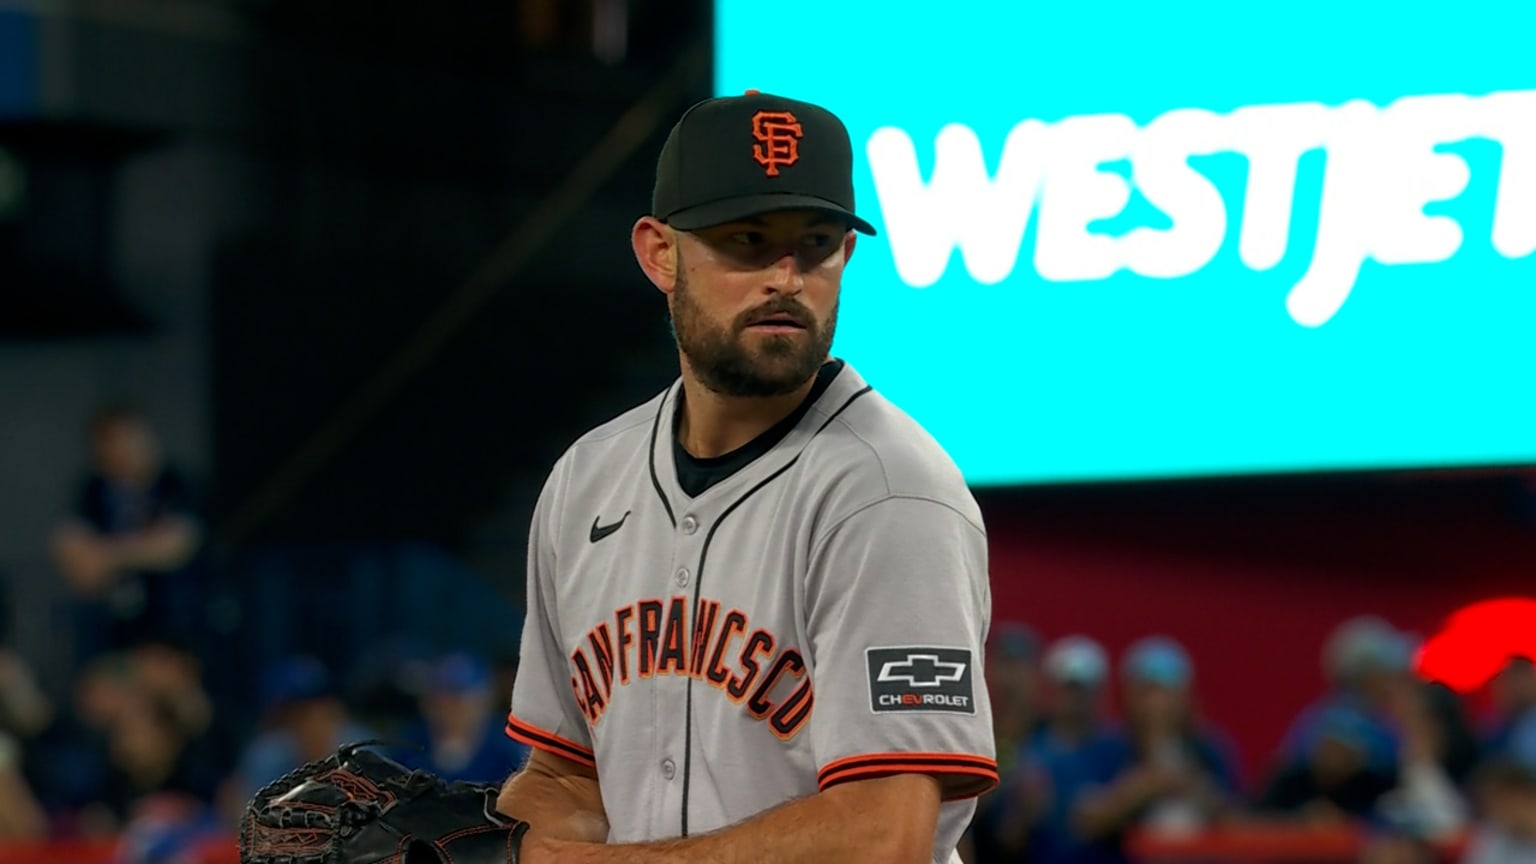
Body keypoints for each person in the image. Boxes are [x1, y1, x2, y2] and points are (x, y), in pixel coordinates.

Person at [494, 90, 997, 864]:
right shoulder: (586, 481)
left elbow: (883, 835)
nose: (787, 277)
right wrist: (480, 849)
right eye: (748, 241)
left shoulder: (892, 494)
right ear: (660, 253)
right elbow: (567, 778)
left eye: (817, 243)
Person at [51, 406, 204, 669]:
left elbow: (175, 547)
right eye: (109, 442)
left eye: (128, 438)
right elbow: (69, 546)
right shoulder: (94, 489)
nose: (121, 450)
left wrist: (106, 555)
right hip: (113, 615)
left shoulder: (176, 482)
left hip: (176, 611)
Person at [1071, 637, 1241, 850]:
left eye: (1167, 691)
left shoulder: (1209, 750)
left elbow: (1239, 817)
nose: (1158, 703)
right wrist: (1143, 789)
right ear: (1129, 697)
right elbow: (1084, 819)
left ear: (1186, 697)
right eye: (1148, 692)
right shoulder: (1109, 749)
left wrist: (1201, 795)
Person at [398, 653, 530, 784]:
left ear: (486, 699)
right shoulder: (409, 749)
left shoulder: (508, 753)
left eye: (465, 698)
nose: (456, 706)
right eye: (446, 696)